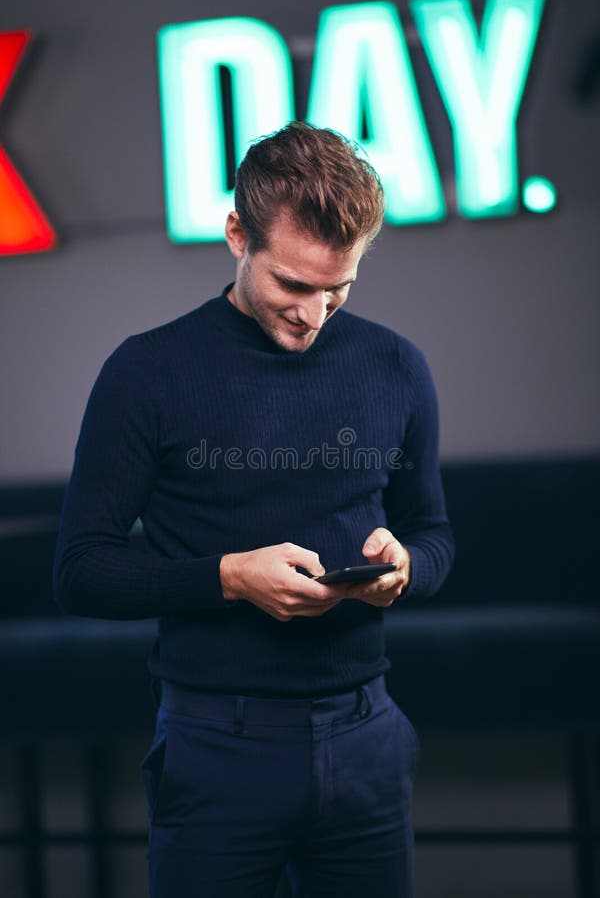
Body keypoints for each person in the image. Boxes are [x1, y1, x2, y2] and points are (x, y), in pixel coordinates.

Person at [53, 121, 455, 898]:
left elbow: (433, 533)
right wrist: (231, 578)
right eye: (293, 286)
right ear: (237, 235)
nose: (315, 313)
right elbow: (80, 571)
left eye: (339, 288)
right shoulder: (147, 372)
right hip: (215, 745)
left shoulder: (396, 365)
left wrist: (405, 569)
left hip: (367, 736)